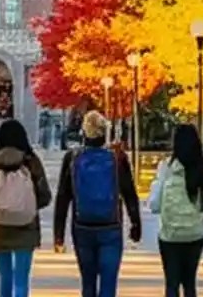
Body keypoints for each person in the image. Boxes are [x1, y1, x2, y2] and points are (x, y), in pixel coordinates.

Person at [53, 110, 141, 297]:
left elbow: (63, 197)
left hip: (82, 226)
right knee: (108, 285)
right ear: (104, 133)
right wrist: (136, 225)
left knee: (88, 283)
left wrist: (58, 234)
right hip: (111, 227)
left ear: (83, 133)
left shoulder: (73, 158)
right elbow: (129, 194)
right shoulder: (117, 157)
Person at [0, 119, 52, 297]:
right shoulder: (31, 161)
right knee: (21, 280)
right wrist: (26, 203)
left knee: (5, 278)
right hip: (25, 227)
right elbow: (45, 196)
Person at [148, 124, 203, 297]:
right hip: (194, 235)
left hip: (170, 236)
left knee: (172, 284)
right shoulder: (202, 171)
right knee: (190, 284)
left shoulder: (166, 168)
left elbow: (154, 204)